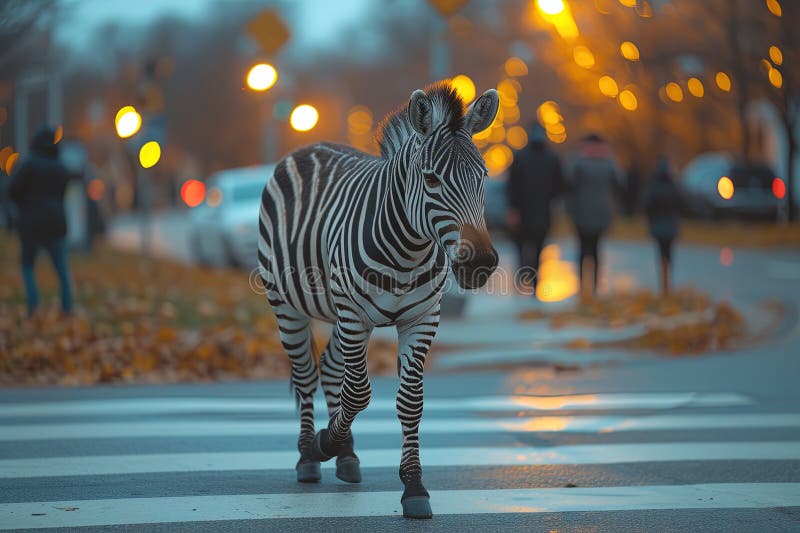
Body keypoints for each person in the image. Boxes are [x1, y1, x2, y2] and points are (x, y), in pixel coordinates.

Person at [8, 127, 74, 317]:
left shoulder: (29, 164)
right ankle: (67, 309)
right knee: (62, 269)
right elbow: (63, 192)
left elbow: (12, 190)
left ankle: (34, 308)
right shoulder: (61, 167)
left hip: (31, 223)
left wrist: (23, 207)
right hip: (56, 222)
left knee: (28, 266)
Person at [506, 123, 564, 296]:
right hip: (541, 212)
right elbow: (559, 187)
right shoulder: (552, 158)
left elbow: (511, 186)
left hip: (524, 211)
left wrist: (513, 208)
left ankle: (525, 274)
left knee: (522, 246)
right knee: (538, 249)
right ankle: (533, 282)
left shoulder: (520, 157)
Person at [564, 134, 623, 297]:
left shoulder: (579, 163)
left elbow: (567, 182)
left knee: (583, 250)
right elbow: (620, 183)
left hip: (581, 214)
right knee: (596, 250)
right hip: (601, 214)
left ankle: (583, 285)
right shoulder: (608, 163)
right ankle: (595, 286)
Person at [643, 158, 683, 296]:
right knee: (669, 253)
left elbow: (647, 206)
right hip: (671, 226)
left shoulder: (654, 186)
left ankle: (664, 281)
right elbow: (682, 204)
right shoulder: (674, 186)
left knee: (660, 254)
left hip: (658, 226)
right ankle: (667, 282)